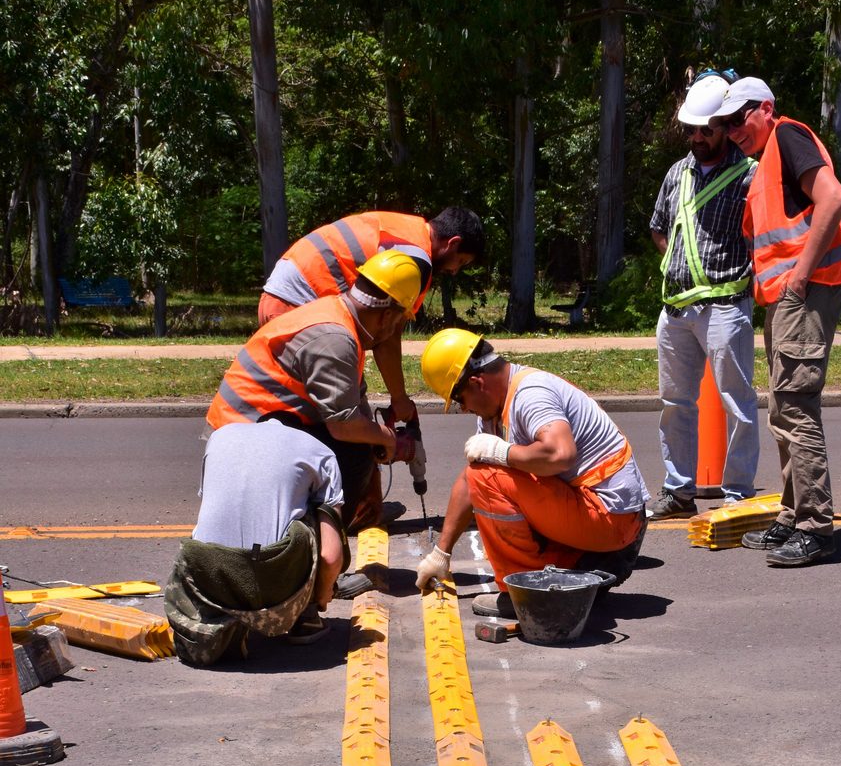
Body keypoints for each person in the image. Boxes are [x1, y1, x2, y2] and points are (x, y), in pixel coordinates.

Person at [709, 77, 841, 567]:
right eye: (724, 125)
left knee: (795, 404)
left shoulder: (787, 136)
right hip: (786, 297)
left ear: (766, 108)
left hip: (804, 291)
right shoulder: (765, 158)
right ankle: (793, 516)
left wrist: (798, 278)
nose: (731, 131)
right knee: (782, 408)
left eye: (738, 119)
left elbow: (834, 198)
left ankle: (815, 526)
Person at [415, 329, 649, 617]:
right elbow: (467, 480)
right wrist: (442, 553)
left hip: (613, 521)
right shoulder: (495, 410)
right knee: (482, 471)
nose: (464, 409)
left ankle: (527, 594)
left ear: (477, 382)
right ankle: (565, 574)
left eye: (460, 399)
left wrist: (502, 453)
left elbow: (560, 454)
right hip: (600, 519)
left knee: (488, 476)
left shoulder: (529, 394)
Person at [206, 251, 425, 536]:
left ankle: (329, 529)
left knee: (359, 443)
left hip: (253, 427)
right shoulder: (335, 339)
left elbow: (352, 408)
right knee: (352, 451)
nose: (396, 330)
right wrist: (390, 440)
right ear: (386, 316)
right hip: (241, 437)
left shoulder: (338, 316)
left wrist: (371, 487)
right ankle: (318, 556)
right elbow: (344, 426)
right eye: (400, 322)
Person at [649, 69, 760, 518]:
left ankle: (737, 494)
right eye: (691, 129)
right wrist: (680, 263)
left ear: (725, 129)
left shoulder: (749, 175)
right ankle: (679, 491)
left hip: (726, 308)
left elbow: (763, 237)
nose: (696, 136)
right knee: (675, 405)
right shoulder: (678, 172)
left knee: (738, 404)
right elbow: (659, 228)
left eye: (705, 129)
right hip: (675, 309)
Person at [258, 207, 486, 424]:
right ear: (452, 243)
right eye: (461, 261)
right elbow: (387, 336)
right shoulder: (415, 260)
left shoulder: (408, 228)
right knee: (346, 421)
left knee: (332, 407)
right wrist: (399, 399)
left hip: (283, 297)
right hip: (296, 305)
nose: (455, 271)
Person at [165, 417, 351, 666]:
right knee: (315, 510)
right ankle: (304, 620)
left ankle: (217, 622)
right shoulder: (319, 451)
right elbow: (330, 556)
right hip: (275, 588)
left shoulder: (219, 437)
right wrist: (323, 595)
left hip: (209, 576)